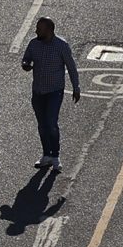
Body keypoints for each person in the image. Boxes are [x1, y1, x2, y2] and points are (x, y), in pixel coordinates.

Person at [19, 16, 81, 168]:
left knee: (51, 123)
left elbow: (71, 67)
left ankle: (55, 155)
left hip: (54, 91)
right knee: (42, 124)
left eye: (39, 29)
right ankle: (46, 154)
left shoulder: (61, 46)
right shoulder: (34, 44)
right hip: (38, 92)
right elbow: (26, 59)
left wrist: (76, 87)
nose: (36, 31)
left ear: (49, 30)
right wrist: (26, 64)